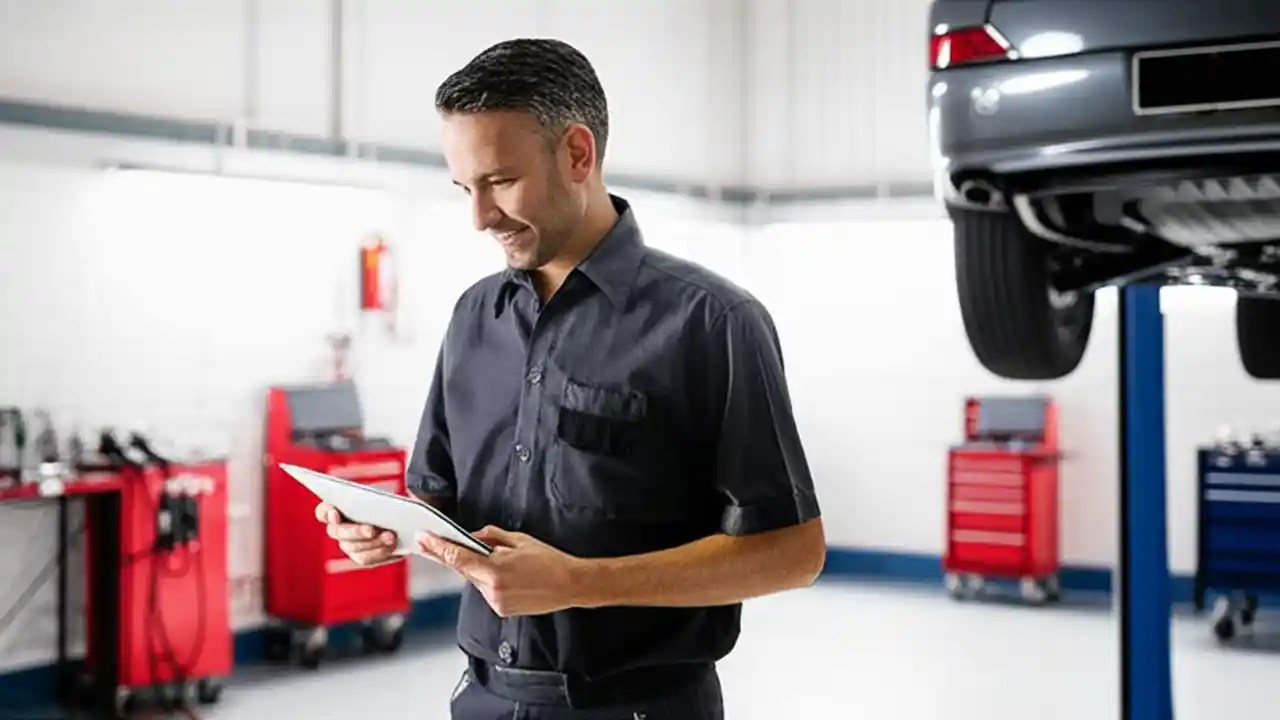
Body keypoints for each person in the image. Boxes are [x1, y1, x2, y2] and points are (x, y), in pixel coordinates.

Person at [314, 37, 825, 719]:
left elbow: (793, 551)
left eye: (499, 181)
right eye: (465, 188)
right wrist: (388, 530)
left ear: (578, 154)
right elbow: (441, 502)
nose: (479, 217)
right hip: (485, 700)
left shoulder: (713, 322)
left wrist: (581, 582)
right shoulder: (475, 318)